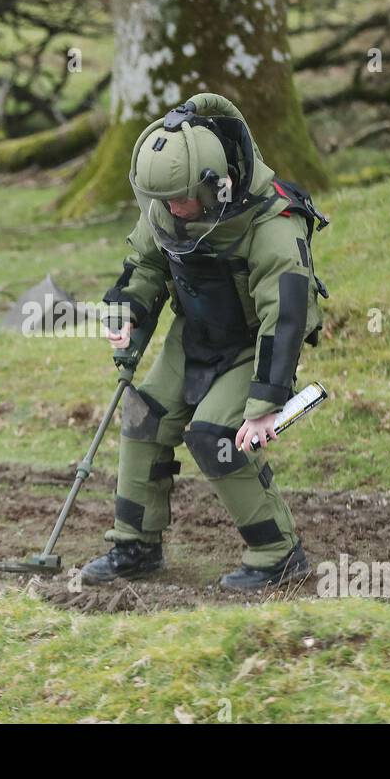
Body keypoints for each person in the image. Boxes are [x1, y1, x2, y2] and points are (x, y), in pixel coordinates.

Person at [80, 92, 326, 592]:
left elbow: (286, 316)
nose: (170, 210)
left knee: (217, 435)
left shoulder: (273, 222)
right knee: (142, 414)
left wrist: (264, 403)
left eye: (179, 200)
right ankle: (135, 546)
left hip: (254, 345)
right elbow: (145, 267)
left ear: (216, 184)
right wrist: (127, 313)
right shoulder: (167, 202)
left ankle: (278, 553)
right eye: (161, 200)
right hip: (194, 333)